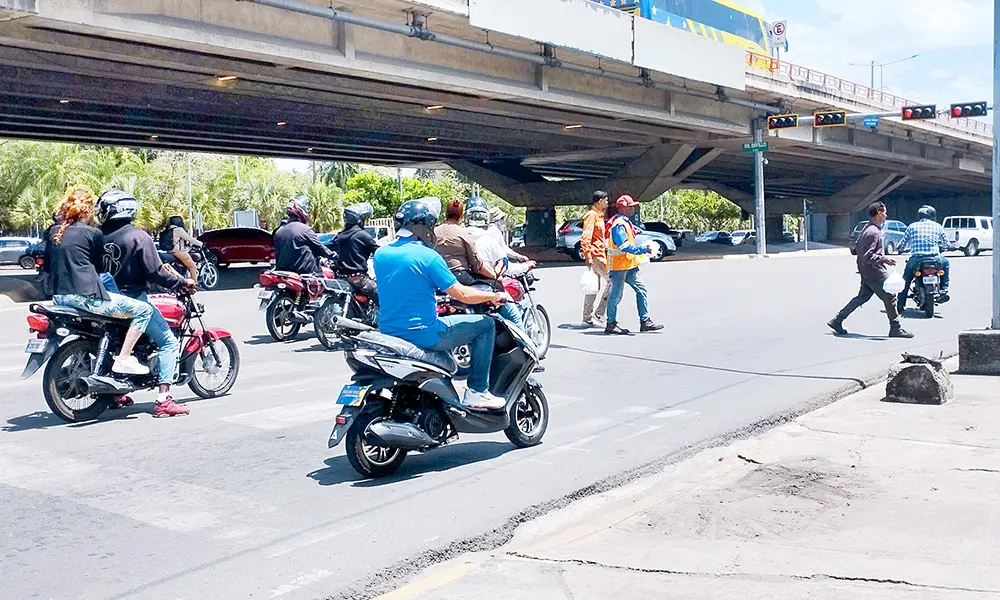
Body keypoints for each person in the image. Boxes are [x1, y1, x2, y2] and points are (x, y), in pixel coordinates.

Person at [374, 197, 508, 410]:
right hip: (425, 333)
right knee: (486, 325)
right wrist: (492, 297)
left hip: (389, 332)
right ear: (424, 227)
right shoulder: (429, 257)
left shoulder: (380, 254)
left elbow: (405, 285)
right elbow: (462, 294)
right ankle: (477, 391)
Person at [98, 190, 196, 417]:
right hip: (132, 298)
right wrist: (182, 282)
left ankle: (117, 392)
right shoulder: (138, 237)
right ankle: (164, 399)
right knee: (168, 342)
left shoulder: (97, 236)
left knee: (118, 341)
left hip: (104, 299)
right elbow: (156, 272)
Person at [43, 189, 154, 376]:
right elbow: (101, 267)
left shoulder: (54, 232)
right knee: (143, 310)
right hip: (85, 297)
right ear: (87, 211)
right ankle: (124, 358)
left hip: (59, 298)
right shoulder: (92, 233)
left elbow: (47, 264)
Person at [828, 202, 914, 338]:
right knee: (890, 296)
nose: (886, 215)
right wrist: (884, 259)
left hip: (867, 270)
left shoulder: (870, 230)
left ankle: (837, 320)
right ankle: (895, 328)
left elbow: (859, 251)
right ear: (878, 213)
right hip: (875, 271)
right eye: (884, 212)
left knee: (862, 297)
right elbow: (868, 255)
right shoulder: (873, 232)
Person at [604, 195, 664, 335]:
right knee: (616, 296)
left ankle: (645, 321)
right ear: (623, 208)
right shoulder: (619, 225)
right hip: (619, 266)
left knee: (641, 290)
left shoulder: (625, 222)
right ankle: (611, 324)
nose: (633, 208)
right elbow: (624, 246)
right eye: (631, 206)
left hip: (629, 264)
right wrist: (643, 250)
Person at [896, 204, 951, 312]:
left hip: (916, 259)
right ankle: (944, 289)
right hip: (935, 259)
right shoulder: (938, 226)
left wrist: (901, 249)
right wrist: (944, 247)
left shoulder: (911, 226)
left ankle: (900, 304)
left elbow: (901, 245)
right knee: (946, 264)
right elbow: (946, 244)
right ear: (932, 215)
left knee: (906, 280)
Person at [434, 198, 495, 283]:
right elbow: (476, 265)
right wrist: (494, 276)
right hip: (459, 276)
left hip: (436, 275)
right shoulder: (464, 234)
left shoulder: (433, 232)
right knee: (497, 285)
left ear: (446, 214)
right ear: (461, 216)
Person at [273, 195, 336, 275]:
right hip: (306, 274)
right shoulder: (305, 230)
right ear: (301, 210)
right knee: (328, 278)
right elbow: (321, 249)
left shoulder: (279, 231)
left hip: (283, 273)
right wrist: (336, 256)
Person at [331, 202, 380, 304]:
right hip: (358, 279)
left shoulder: (339, 236)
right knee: (384, 298)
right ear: (359, 220)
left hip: (341, 278)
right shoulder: (362, 235)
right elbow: (379, 253)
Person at [581, 191, 611, 327]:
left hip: (599, 254)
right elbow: (586, 237)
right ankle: (599, 313)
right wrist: (588, 256)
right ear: (599, 201)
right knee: (613, 281)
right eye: (606, 200)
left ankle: (587, 318)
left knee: (592, 287)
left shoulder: (599, 216)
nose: (607, 203)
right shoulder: (591, 215)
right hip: (596, 255)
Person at [160, 215, 203, 280]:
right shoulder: (178, 230)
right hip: (179, 252)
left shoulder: (167, 230)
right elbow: (189, 238)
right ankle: (194, 284)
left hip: (169, 252)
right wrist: (200, 243)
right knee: (192, 267)